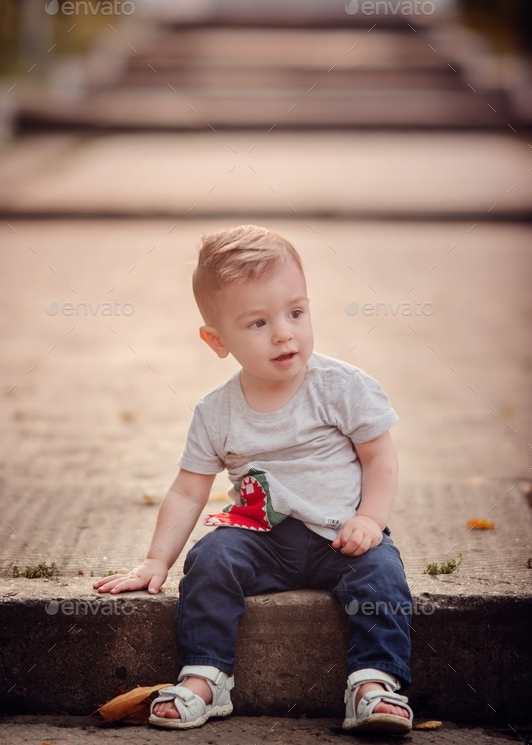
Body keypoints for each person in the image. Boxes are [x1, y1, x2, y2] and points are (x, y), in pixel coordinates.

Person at [94, 224, 413, 735]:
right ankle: (205, 677)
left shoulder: (341, 387)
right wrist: (156, 560)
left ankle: (374, 684)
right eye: (258, 323)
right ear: (217, 341)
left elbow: (380, 457)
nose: (285, 332)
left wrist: (370, 519)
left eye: (296, 312)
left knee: (382, 575)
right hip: (261, 539)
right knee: (210, 559)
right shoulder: (216, 411)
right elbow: (188, 489)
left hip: (342, 536)